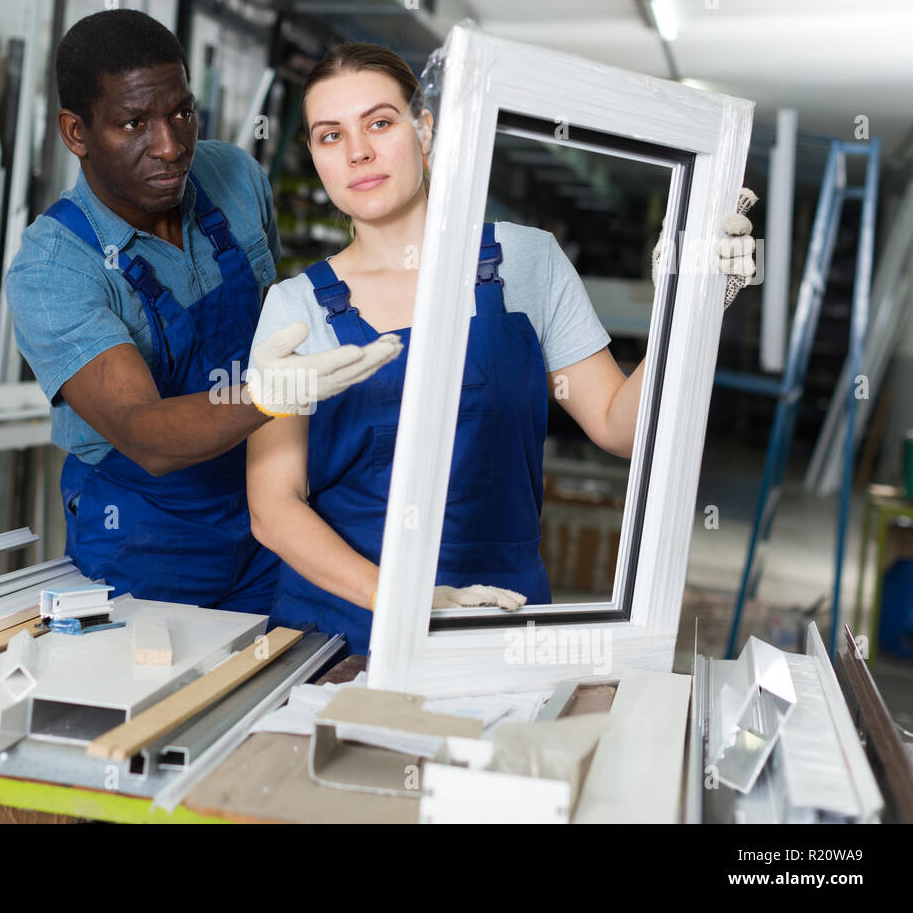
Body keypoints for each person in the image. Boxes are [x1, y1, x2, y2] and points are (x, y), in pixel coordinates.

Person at [245, 43, 756, 654]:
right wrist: (403, 597)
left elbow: (621, 427)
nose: (358, 151)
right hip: (337, 632)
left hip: (501, 622)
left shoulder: (526, 261)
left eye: (380, 122)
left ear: (425, 129)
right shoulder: (294, 308)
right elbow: (273, 506)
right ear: (316, 158)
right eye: (331, 136)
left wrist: (691, 307)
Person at [4, 13, 399, 614]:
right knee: (170, 698)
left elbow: (276, 317)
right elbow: (143, 432)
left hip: (270, 501)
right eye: (134, 123)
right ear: (75, 132)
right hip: (149, 537)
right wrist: (268, 395)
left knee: (291, 681)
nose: (169, 146)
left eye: (181, 113)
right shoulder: (53, 270)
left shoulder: (235, 176)